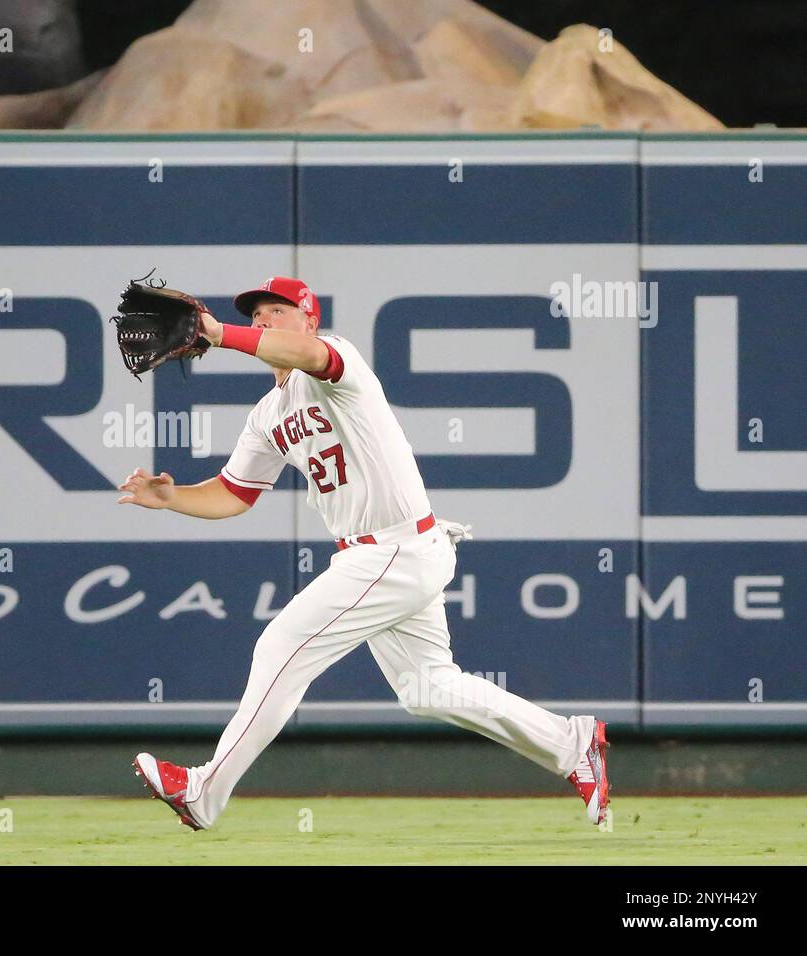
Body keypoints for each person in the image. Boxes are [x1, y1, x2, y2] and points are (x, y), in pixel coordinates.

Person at [117, 276, 610, 831]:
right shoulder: (266, 415)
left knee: (281, 644)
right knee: (429, 688)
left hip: (393, 550)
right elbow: (234, 495)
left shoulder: (336, 364)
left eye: (276, 312)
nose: (262, 322)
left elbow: (306, 354)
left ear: (309, 319)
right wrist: (172, 497)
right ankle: (572, 744)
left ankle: (206, 790)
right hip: (388, 555)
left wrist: (220, 333)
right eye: (255, 315)